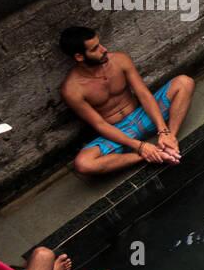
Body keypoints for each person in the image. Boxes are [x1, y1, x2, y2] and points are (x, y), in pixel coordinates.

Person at [60, 27, 195, 176]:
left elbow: (143, 94)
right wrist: (141, 147)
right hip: (118, 133)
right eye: (95, 49)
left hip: (144, 116)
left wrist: (163, 130)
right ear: (79, 57)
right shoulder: (72, 89)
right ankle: (152, 154)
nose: (103, 49)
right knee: (83, 164)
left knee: (184, 82)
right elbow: (100, 125)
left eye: (100, 44)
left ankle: (170, 140)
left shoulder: (119, 60)